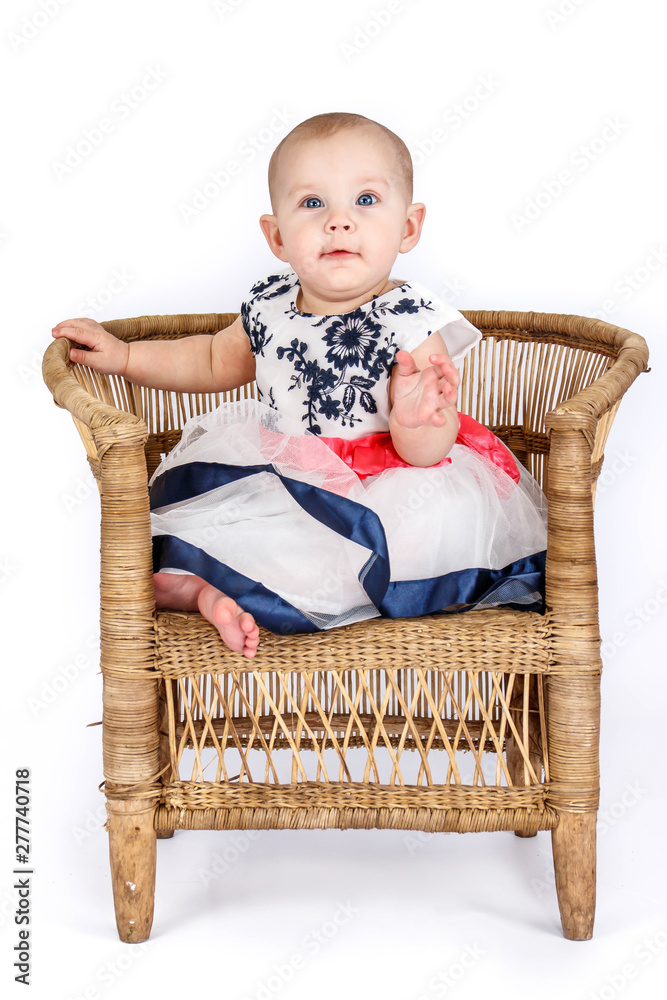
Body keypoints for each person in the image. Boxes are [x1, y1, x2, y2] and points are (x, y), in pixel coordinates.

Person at [52, 112, 547, 660]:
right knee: (204, 535)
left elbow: (432, 450)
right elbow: (212, 360)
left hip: (388, 491)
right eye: (313, 204)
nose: (339, 221)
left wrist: (414, 420)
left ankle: (250, 590)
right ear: (277, 235)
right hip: (283, 479)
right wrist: (125, 356)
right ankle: (200, 588)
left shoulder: (411, 321)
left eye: (365, 200)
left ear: (408, 227)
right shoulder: (268, 305)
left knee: (384, 544)